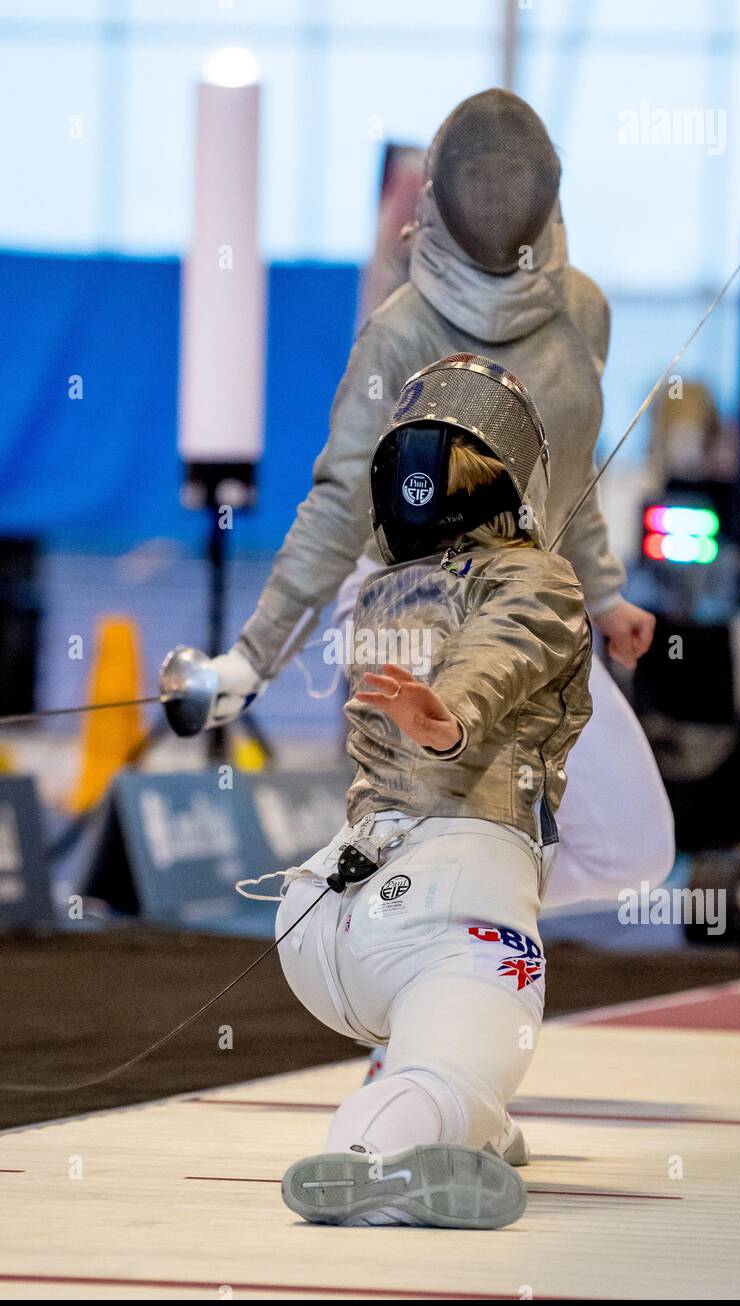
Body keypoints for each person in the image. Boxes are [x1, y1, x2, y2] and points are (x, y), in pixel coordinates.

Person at [191, 88, 674, 908]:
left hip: (526, 601)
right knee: (444, 813)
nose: (494, 205)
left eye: (510, 186)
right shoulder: (400, 329)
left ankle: (419, 913)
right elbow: (344, 496)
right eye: (476, 186)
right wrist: (253, 655)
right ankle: (382, 946)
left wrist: (603, 592)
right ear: (440, 206)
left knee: (632, 848)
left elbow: (568, 471)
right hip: (405, 595)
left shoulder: (581, 309)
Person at [276, 355, 592, 1229]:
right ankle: (370, 1153)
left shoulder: (380, 591)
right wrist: (450, 718)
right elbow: (502, 649)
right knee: (455, 1064)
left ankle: (476, 1120)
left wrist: (438, 709)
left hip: (327, 912)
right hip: (450, 901)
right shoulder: (537, 577)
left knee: (456, 1049)